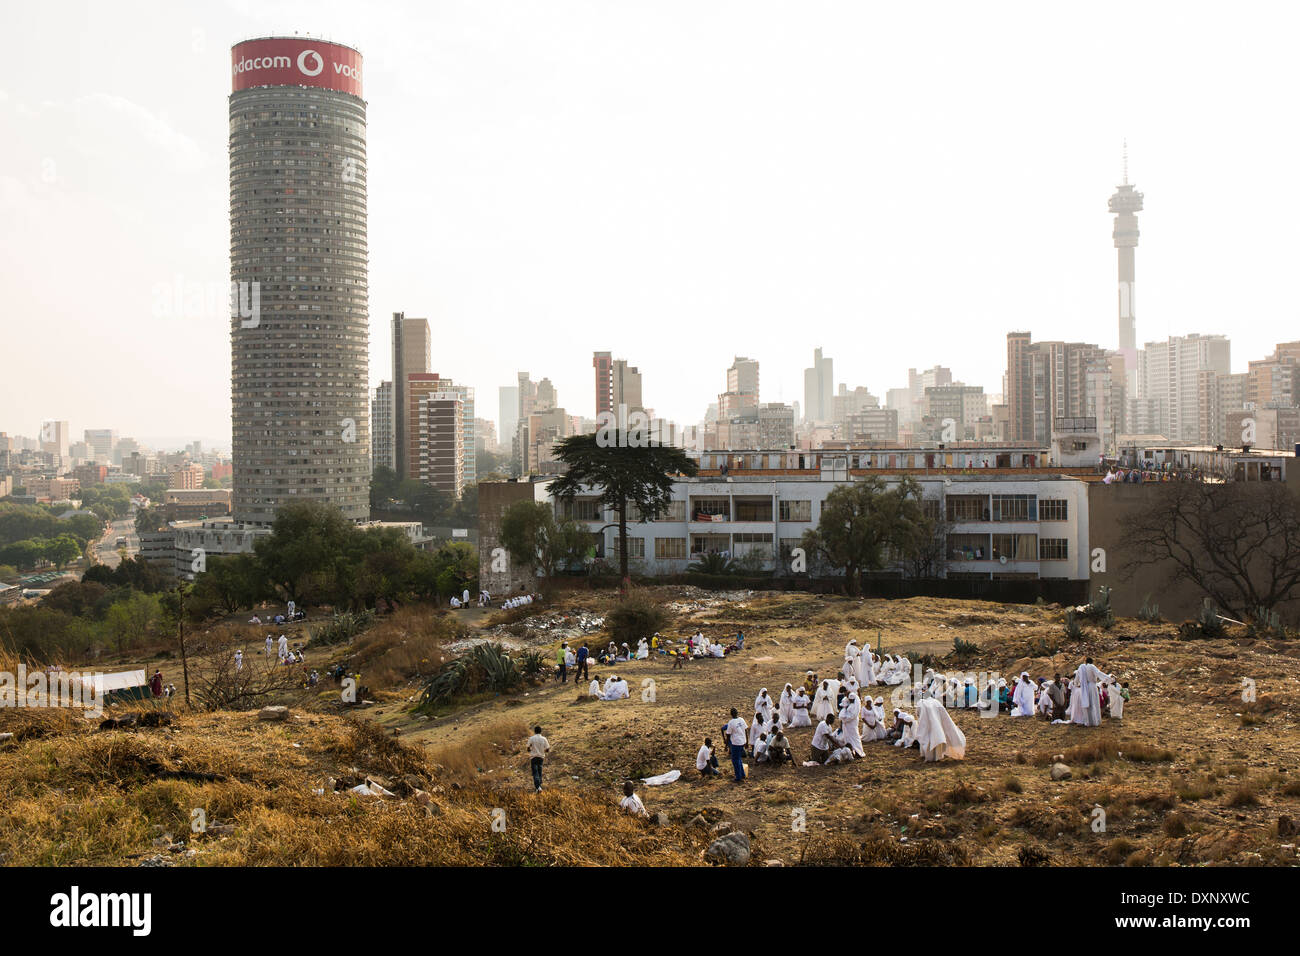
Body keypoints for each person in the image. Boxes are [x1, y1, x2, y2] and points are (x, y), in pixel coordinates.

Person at [914, 696, 967, 762]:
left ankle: (929, 757)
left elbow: (918, 714)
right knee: (937, 737)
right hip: (937, 723)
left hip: (927, 724)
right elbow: (944, 715)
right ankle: (937, 757)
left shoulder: (921, 703)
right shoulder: (936, 702)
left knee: (928, 739)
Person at [1072, 658, 1109, 727]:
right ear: (1092, 662)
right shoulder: (1091, 666)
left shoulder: (1081, 668)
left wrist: (1076, 684)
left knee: (1087, 704)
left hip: (1084, 687)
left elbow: (1076, 678)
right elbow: (1098, 673)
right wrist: (1107, 678)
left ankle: (1087, 721)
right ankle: (1095, 721)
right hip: (1092, 686)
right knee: (1093, 703)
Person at [724, 708, 748, 782]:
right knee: (739, 759)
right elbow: (746, 730)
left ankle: (738, 777)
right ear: (737, 713)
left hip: (736, 743)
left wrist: (726, 746)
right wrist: (747, 741)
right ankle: (742, 774)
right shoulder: (741, 719)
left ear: (731, 714)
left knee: (735, 760)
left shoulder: (731, 722)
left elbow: (728, 735)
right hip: (742, 741)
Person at [526, 726, 550, 793]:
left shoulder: (532, 738)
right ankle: (539, 787)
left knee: (535, 772)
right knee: (540, 772)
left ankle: (538, 788)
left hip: (533, 757)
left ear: (535, 731)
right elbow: (547, 748)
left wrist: (530, 750)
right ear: (540, 731)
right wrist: (543, 751)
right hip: (541, 757)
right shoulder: (544, 739)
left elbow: (528, 747)